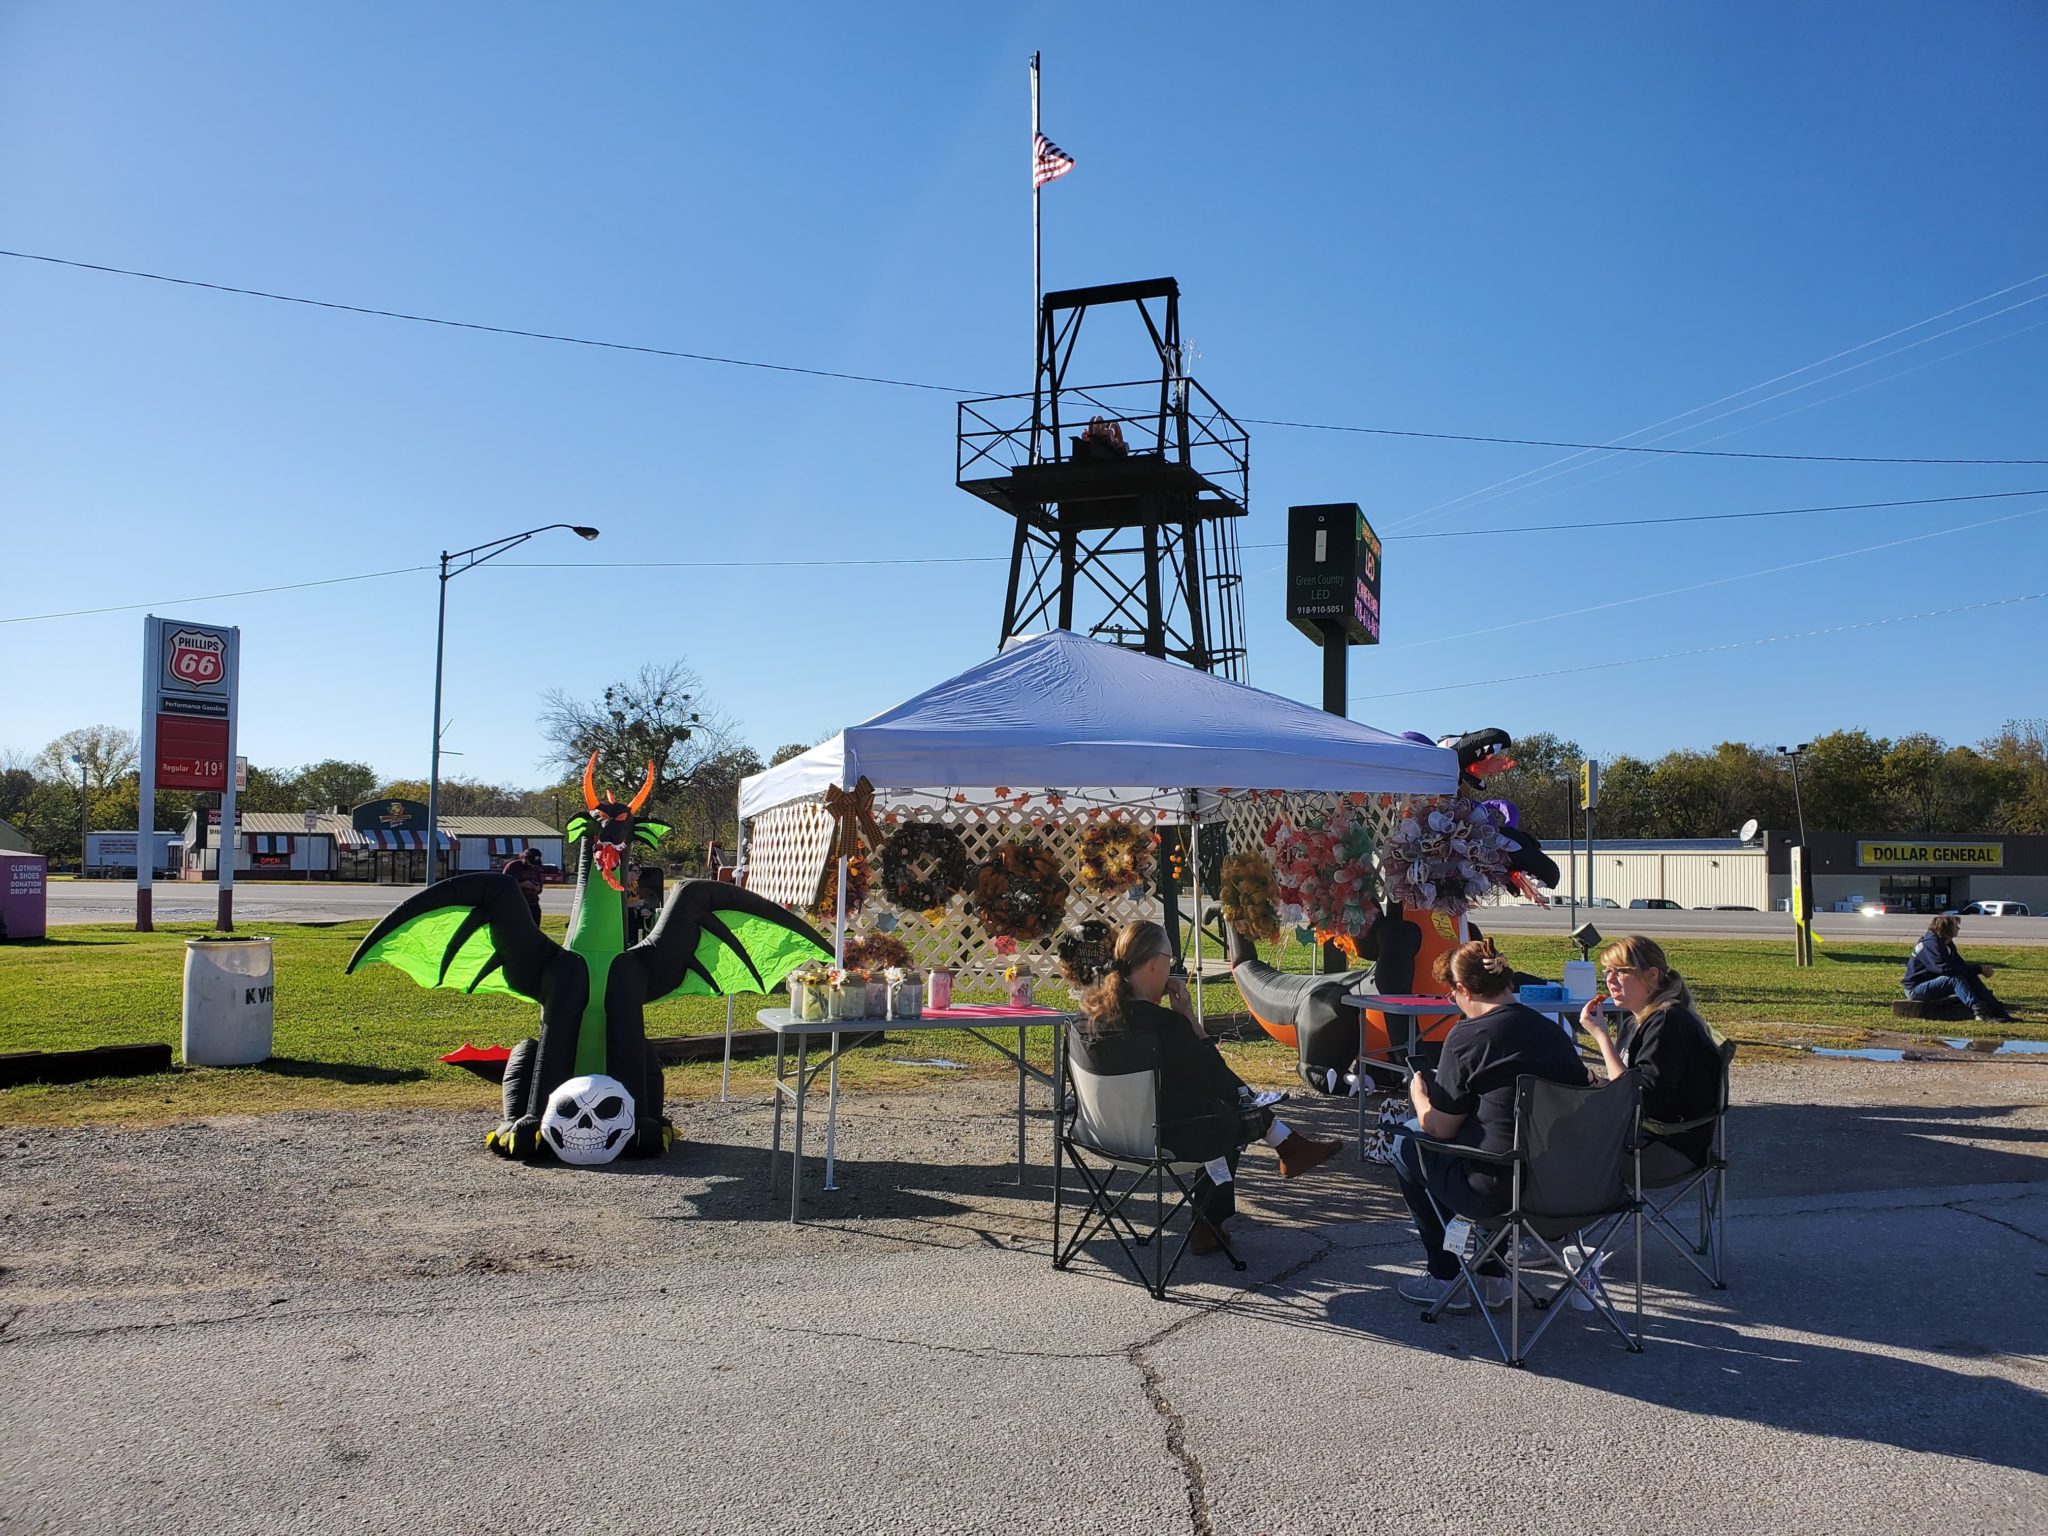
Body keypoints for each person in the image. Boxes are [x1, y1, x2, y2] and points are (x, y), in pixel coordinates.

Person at [1076, 921, 1342, 1255]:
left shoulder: (1085, 1019)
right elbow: (1215, 1075)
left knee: (1221, 1107)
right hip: (1160, 1141)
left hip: (1100, 1136)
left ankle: (1286, 1145)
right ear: (1155, 964)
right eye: (1170, 961)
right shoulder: (1166, 1026)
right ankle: (1211, 1219)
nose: (1171, 969)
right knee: (1229, 1115)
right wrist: (1187, 1016)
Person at [1391, 937, 1589, 1312]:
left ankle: (1445, 1275)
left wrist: (1419, 1096)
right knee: (1497, 1144)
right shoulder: (1554, 1034)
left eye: (1452, 994)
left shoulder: (1469, 1036)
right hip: (1566, 1186)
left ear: (1463, 989)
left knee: (1407, 1142)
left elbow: (1440, 1128)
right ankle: (1492, 1276)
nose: (1453, 1001)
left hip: (1498, 1191)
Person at [1578, 936, 1725, 1177]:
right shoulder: (1634, 1023)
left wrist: (1602, 1037)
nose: (1610, 980)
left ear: (1652, 974)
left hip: (1669, 1147)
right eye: (1606, 971)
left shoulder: (1668, 1024)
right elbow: (1625, 1087)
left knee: (1556, 1150)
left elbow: (1639, 1101)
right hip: (1642, 1136)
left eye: (1620, 971)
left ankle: (1571, 1213)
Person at [1902, 914, 2010, 1023]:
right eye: (1955, 926)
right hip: (1915, 990)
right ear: (1946, 928)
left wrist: (1979, 969)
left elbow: (1960, 966)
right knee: (1954, 979)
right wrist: (1978, 969)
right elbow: (1943, 968)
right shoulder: (1930, 945)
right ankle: (1981, 1013)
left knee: (1969, 976)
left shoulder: (1946, 944)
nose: (1958, 928)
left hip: (1933, 984)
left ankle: (1998, 1011)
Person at [504, 846, 546, 926]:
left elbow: (540, 887)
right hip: (517, 905)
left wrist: (537, 888)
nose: (533, 866)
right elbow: (504, 886)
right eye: (531, 862)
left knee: (535, 930)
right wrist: (522, 885)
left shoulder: (536, 869)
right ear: (525, 858)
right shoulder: (513, 867)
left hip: (533, 904)